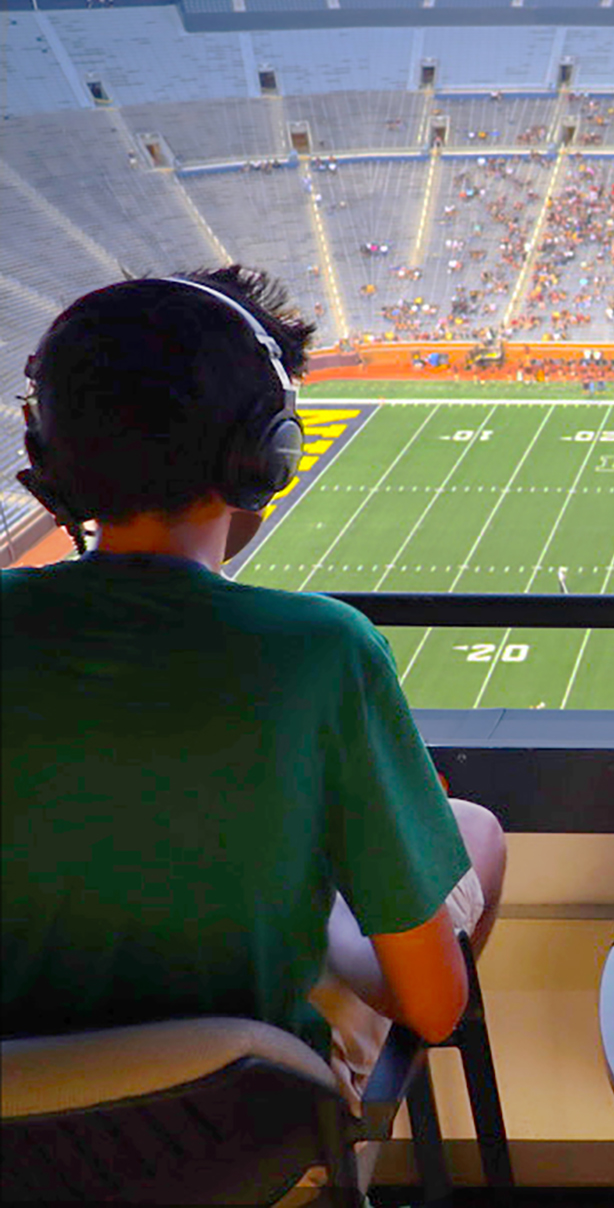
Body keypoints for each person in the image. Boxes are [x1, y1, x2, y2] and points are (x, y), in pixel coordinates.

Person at [2, 268, 508, 1120]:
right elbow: (434, 1006)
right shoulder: (322, 650)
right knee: (476, 833)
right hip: (230, 1136)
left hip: (18, 1131)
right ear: (262, 454)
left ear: (50, 458)